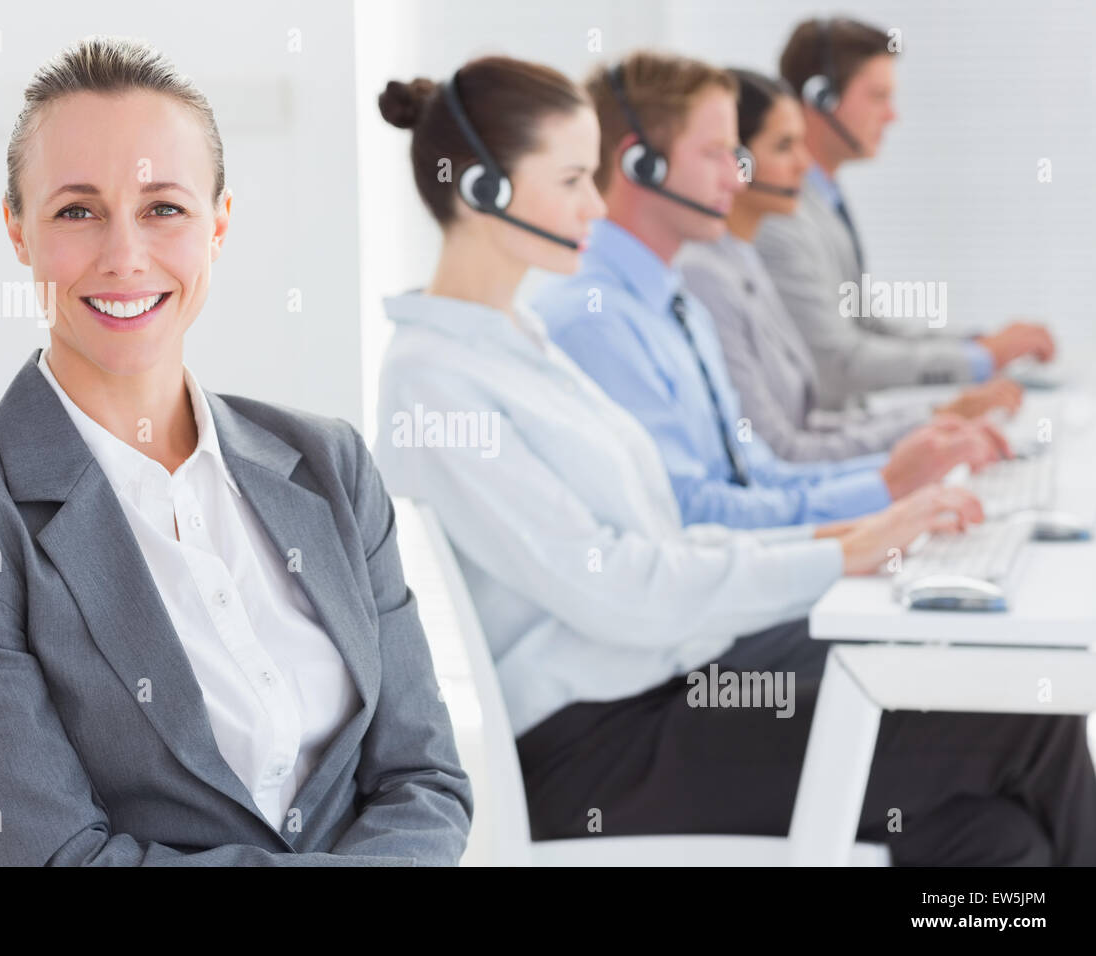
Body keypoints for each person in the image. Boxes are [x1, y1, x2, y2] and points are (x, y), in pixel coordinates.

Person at [372, 53, 1096, 865]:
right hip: (598, 748)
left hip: (662, 689)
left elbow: (672, 537)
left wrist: (844, 541)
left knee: (998, 839)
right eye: (573, 179)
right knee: (1030, 728)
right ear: (480, 190)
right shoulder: (433, 381)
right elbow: (622, 587)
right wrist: (834, 553)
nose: (597, 203)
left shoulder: (523, 344)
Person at [0, 35, 471, 867]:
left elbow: (426, 779)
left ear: (219, 225)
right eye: (77, 210)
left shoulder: (332, 465)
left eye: (164, 208)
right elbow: (61, 859)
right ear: (18, 230)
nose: (125, 257)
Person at [534, 53, 1008, 530]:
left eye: (736, 155)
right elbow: (688, 517)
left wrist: (896, 476)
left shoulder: (676, 304)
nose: (736, 178)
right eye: (715, 153)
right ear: (640, 165)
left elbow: (755, 475)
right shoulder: (595, 322)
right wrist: (878, 499)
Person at [677, 68, 1023, 462]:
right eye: (784, 146)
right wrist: (909, 461)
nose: (804, 164)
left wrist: (931, 423)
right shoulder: (713, 271)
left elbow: (808, 418)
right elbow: (789, 440)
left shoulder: (745, 256)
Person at [757, 16, 1055, 408]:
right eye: (878, 96)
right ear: (820, 98)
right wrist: (981, 358)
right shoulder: (779, 214)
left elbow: (865, 324)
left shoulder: (824, 199)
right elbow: (839, 361)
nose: (892, 115)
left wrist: (978, 345)